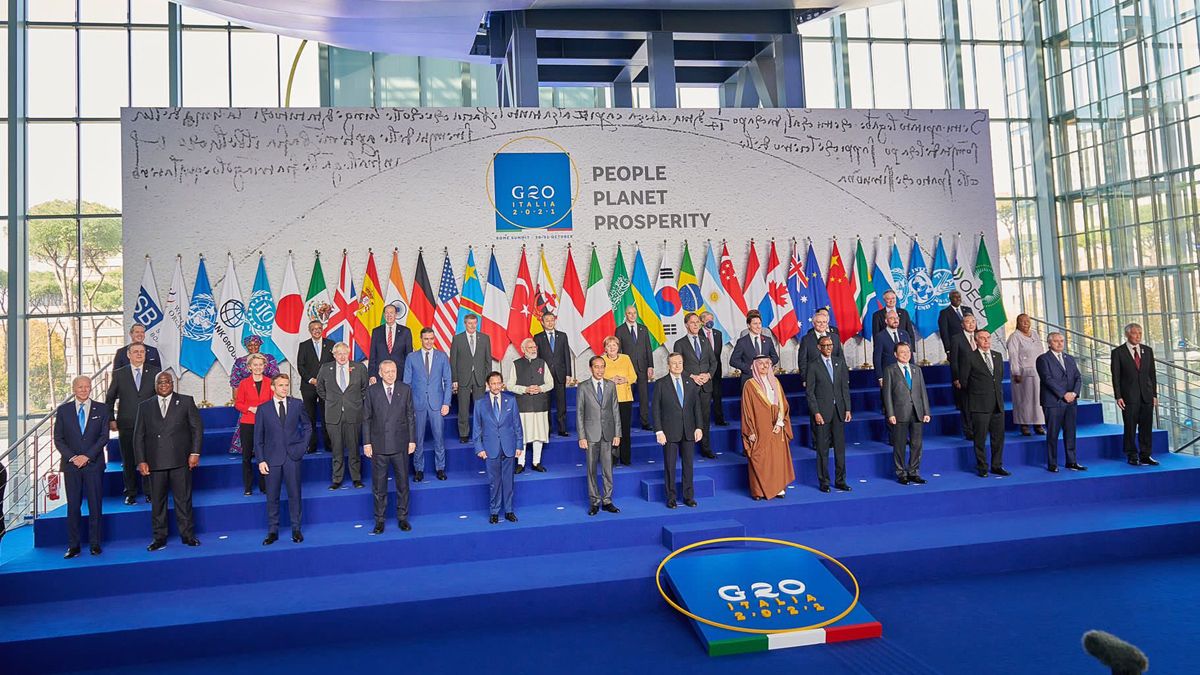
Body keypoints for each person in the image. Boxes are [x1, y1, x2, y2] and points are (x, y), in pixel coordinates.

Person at [134, 372, 203, 551]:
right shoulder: (145, 406)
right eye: (160, 382)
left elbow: (197, 429)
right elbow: (138, 436)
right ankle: (159, 537)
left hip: (181, 460)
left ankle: (188, 535)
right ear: (155, 385)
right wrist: (141, 460)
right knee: (158, 502)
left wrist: (195, 452)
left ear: (173, 383)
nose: (164, 385)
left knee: (183, 500)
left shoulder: (186, 401)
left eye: (167, 382)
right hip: (155, 462)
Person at [54, 376, 110, 558]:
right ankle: (74, 545)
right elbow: (59, 439)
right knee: (73, 507)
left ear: (91, 388)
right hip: (71, 466)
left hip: (93, 464)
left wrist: (87, 456)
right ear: (73, 389)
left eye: (87, 387)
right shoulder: (63, 411)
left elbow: (103, 437)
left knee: (95, 505)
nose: (84, 390)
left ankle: (95, 543)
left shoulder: (102, 409)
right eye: (80, 387)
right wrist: (73, 457)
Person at [253, 374, 311, 545]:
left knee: (295, 494)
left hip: (293, 457)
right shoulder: (263, 409)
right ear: (273, 387)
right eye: (281, 385)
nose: (284, 388)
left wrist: (302, 447)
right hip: (272, 459)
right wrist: (261, 460)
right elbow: (258, 438)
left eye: (286, 385)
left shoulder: (297, 404)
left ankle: (296, 529)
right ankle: (273, 531)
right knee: (272, 496)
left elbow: (307, 426)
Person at [363, 359, 416, 533]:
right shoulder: (372, 391)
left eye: (393, 371)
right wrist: (367, 443)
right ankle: (380, 520)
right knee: (379, 486)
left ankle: (403, 517)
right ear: (380, 373)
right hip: (379, 446)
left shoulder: (405, 389)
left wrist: (412, 440)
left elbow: (410, 417)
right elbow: (367, 419)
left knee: (403, 485)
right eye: (387, 371)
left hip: (400, 445)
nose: (391, 374)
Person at [105, 342, 158, 505]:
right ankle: (130, 493)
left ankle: (150, 493)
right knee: (128, 460)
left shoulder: (155, 372)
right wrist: (110, 419)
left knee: (149, 459)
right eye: (135, 352)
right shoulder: (120, 374)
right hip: (126, 423)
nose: (139, 354)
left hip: (149, 425)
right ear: (128, 355)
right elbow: (110, 398)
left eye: (142, 351)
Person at [652, 353, 703, 508]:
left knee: (688, 465)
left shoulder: (690, 382)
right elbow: (655, 409)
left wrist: (699, 427)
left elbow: (697, 408)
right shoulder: (661, 383)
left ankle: (688, 496)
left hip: (688, 430)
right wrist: (658, 431)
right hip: (669, 432)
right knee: (670, 466)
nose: (677, 366)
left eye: (680, 362)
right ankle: (671, 497)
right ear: (668, 365)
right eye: (674, 363)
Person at [742, 354, 796, 500]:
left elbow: (783, 404)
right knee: (759, 457)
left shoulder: (776, 382)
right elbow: (746, 410)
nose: (764, 366)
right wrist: (750, 431)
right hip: (759, 428)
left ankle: (778, 487)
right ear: (755, 366)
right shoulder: (750, 385)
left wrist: (780, 423)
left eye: (767, 363)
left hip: (776, 427)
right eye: (761, 363)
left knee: (777, 458)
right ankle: (758, 490)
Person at [315, 342, 368, 490]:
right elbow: (320, 389)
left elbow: (365, 388)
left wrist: (354, 401)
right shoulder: (325, 369)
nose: (342, 356)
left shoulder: (359, 368)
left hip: (354, 413)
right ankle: (337, 479)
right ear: (334, 354)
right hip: (333, 415)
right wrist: (333, 400)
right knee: (336, 449)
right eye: (339, 353)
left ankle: (356, 478)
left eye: (345, 353)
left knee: (354, 449)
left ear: (349, 353)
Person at [474, 371, 523, 524]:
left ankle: (509, 511)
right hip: (490, 448)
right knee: (494, 481)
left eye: (499, 383)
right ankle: (494, 511)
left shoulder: (511, 400)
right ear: (488, 385)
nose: (496, 386)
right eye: (493, 383)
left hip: (509, 446)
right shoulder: (480, 403)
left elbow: (517, 425)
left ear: (502, 384)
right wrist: (479, 448)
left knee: (508, 481)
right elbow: (477, 428)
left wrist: (519, 445)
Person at [404, 327, 452, 481]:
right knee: (417, 439)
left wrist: (446, 403)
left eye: (431, 338)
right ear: (421, 339)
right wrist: (408, 406)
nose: (429, 341)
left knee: (439, 438)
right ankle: (419, 469)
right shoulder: (411, 357)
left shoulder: (442, 356)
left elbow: (448, 381)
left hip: (437, 404)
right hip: (417, 404)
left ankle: (440, 468)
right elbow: (407, 383)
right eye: (426, 339)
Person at [806, 336, 852, 492]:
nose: (828, 348)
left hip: (839, 411)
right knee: (822, 449)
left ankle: (841, 480)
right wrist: (816, 412)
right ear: (819, 347)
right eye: (825, 346)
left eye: (830, 345)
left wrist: (847, 408)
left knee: (840, 449)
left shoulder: (839, 362)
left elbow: (844, 388)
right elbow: (810, 392)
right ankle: (824, 482)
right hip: (822, 413)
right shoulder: (813, 365)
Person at [1036, 332, 1086, 472]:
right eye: (1056, 341)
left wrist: (1074, 394)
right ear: (1049, 343)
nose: (1060, 343)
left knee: (1070, 433)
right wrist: (1064, 394)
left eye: (1062, 341)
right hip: (1053, 402)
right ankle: (1052, 463)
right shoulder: (1043, 359)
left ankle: (1072, 461)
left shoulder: (1069, 358)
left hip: (1071, 402)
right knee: (1052, 434)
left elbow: (1078, 377)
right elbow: (1047, 379)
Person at [961, 329, 1009, 477]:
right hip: (979, 405)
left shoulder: (998, 356)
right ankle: (982, 467)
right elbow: (964, 381)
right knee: (980, 439)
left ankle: (997, 465)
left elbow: (998, 378)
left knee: (998, 438)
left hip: (997, 404)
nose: (986, 341)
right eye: (982, 338)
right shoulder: (969, 357)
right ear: (976, 341)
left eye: (988, 338)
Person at [577, 356, 621, 516]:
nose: (600, 370)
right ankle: (594, 501)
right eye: (596, 367)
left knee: (608, 469)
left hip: (608, 433)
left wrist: (618, 433)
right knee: (591, 469)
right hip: (590, 435)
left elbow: (615, 410)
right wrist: (581, 436)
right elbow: (580, 413)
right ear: (590, 368)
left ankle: (607, 500)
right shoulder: (583, 387)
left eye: (602, 366)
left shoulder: (610, 385)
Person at [882, 343, 931, 485]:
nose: (906, 354)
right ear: (896, 355)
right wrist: (890, 413)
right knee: (899, 444)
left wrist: (926, 411)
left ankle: (914, 472)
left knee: (917, 444)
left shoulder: (917, 370)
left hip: (917, 412)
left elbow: (922, 392)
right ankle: (901, 473)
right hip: (899, 413)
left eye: (908, 351)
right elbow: (887, 395)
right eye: (902, 352)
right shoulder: (890, 370)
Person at [1110, 323, 1158, 466]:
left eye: (1140, 333)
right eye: (1134, 333)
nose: (1138, 336)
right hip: (1128, 397)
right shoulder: (1118, 352)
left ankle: (1146, 455)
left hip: (1146, 396)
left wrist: (1154, 395)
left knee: (1146, 427)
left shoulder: (1147, 351)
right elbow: (1116, 376)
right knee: (1130, 427)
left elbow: (1152, 374)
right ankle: (1132, 455)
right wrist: (1118, 396)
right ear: (1127, 334)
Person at [228, 335, 280, 455]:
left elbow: (276, 377)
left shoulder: (269, 358)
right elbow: (235, 380)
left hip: (266, 396)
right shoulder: (240, 361)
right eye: (250, 345)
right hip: (247, 399)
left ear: (260, 344)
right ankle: (247, 449)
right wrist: (236, 398)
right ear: (246, 346)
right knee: (247, 426)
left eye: (255, 344)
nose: (253, 347)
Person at [507, 338, 553, 473]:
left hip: (540, 405)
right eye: (530, 348)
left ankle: (536, 462)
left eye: (534, 347)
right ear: (523, 350)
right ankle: (521, 463)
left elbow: (550, 383)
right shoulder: (516, 364)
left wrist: (540, 388)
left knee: (539, 434)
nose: (533, 350)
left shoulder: (542, 363)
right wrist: (525, 389)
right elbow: (510, 385)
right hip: (523, 406)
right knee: (523, 435)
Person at [675, 312, 717, 458]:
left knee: (705, 418)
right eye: (692, 323)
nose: (695, 325)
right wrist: (692, 376)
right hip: (689, 386)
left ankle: (706, 448)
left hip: (705, 386)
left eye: (697, 322)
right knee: (688, 417)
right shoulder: (680, 343)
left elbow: (713, 362)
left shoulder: (705, 341)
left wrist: (708, 375)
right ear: (686, 325)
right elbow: (677, 366)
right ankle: (687, 449)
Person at [233, 353, 272, 496]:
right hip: (248, 423)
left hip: (265, 424)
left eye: (260, 365)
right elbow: (238, 403)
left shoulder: (269, 382)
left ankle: (264, 486)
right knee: (247, 456)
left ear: (264, 366)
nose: (258, 367)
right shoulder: (243, 383)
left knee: (265, 455)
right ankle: (248, 487)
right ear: (250, 367)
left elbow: (273, 402)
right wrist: (249, 408)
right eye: (255, 365)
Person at [450, 313, 491, 443]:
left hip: (479, 378)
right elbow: (453, 361)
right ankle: (464, 434)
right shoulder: (457, 339)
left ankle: (481, 434)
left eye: (474, 323)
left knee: (480, 408)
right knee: (463, 408)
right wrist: (454, 379)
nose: (472, 325)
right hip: (463, 379)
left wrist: (488, 378)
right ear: (465, 324)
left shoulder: (485, 338)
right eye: (470, 323)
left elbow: (487, 360)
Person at [297, 320, 335, 454]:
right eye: (314, 328)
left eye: (319, 328)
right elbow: (300, 366)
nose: (317, 330)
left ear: (322, 329)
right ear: (310, 330)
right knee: (309, 418)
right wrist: (311, 380)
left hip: (327, 387)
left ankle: (328, 445)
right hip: (308, 387)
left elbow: (334, 364)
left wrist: (327, 380)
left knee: (328, 417)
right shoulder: (304, 345)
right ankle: (311, 445)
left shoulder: (331, 344)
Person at [533, 312, 573, 437]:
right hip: (545, 376)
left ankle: (562, 428)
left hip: (560, 374)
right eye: (547, 320)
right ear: (542, 322)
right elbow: (537, 357)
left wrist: (568, 373)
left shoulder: (562, 336)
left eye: (552, 320)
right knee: (546, 403)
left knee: (562, 403)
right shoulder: (538, 337)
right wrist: (538, 375)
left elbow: (567, 355)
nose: (550, 322)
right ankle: (547, 428)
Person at [614, 305, 654, 430]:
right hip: (626, 369)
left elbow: (648, 348)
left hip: (642, 367)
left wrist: (650, 366)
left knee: (644, 396)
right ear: (625, 315)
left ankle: (645, 422)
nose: (632, 315)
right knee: (626, 397)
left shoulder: (643, 329)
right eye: (629, 313)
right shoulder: (619, 330)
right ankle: (625, 424)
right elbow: (618, 351)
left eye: (634, 313)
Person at [600, 336, 637, 466]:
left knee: (625, 429)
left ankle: (626, 458)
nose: (611, 348)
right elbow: (598, 378)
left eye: (614, 345)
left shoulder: (626, 358)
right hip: (608, 400)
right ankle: (612, 458)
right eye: (608, 346)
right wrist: (611, 380)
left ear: (618, 346)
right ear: (605, 348)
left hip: (625, 398)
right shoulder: (601, 360)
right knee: (610, 430)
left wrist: (625, 379)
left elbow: (633, 376)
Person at [1007, 313, 1047, 435]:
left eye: (1028, 321)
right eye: (1022, 321)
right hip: (1023, 373)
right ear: (1017, 323)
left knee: (1037, 400)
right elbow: (1013, 356)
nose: (1026, 323)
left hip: (1037, 372)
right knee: (1024, 400)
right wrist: (1016, 372)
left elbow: (1041, 351)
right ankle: (1024, 425)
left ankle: (1038, 424)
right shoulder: (1014, 337)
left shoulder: (1035, 334)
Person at [949, 313, 979, 439]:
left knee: (979, 405)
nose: (971, 324)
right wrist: (956, 378)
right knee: (966, 406)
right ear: (962, 325)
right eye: (968, 322)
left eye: (973, 321)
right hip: (964, 377)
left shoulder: (980, 336)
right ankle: (968, 431)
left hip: (979, 377)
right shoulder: (957, 338)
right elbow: (954, 360)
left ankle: (979, 429)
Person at [729, 309, 780, 383]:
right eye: (755, 324)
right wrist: (749, 367)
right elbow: (733, 361)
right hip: (749, 379)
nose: (758, 326)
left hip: (767, 378)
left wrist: (768, 364)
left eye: (759, 323)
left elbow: (775, 357)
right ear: (749, 325)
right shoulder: (742, 342)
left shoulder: (768, 340)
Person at [369, 304, 413, 385]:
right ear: (384, 315)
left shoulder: (405, 331)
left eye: (391, 313)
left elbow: (409, 355)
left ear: (396, 314)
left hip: (400, 374)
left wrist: (408, 375)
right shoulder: (376, 331)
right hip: (381, 374)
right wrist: (372, 374)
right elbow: (372, 355)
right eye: (386, 313)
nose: (389, 315)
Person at [797, 309, 843, 381]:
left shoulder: (835, 338)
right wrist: (806, 379)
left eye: (824, 322)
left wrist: (844, 377)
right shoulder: (806, 340)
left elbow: (841, 358)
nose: (822, 324)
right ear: (813, 323)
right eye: (819, 322)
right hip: (815, 380)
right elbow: (802, 362)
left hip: (835, 379)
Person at [700, 312, 727, 426]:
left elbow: (718, 352)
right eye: (707, 319)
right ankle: (701, 421)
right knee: (702, 397)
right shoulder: (699, 334)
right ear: (702, 321)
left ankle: (719, 419)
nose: (710, 321)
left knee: (717, 394)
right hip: (702, 370)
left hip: (716, 369)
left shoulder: (718, 334)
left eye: (712, 319)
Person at [872, 310, 911, 385]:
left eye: (897, 318)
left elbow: (910, 354)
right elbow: (877, 358)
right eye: (892, 318)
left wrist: (912, 371)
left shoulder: (905, 334)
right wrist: (880, 377)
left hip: (905, 373)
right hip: (888, 375)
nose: (895, 320)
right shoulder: (880, 336)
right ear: (886, 321)